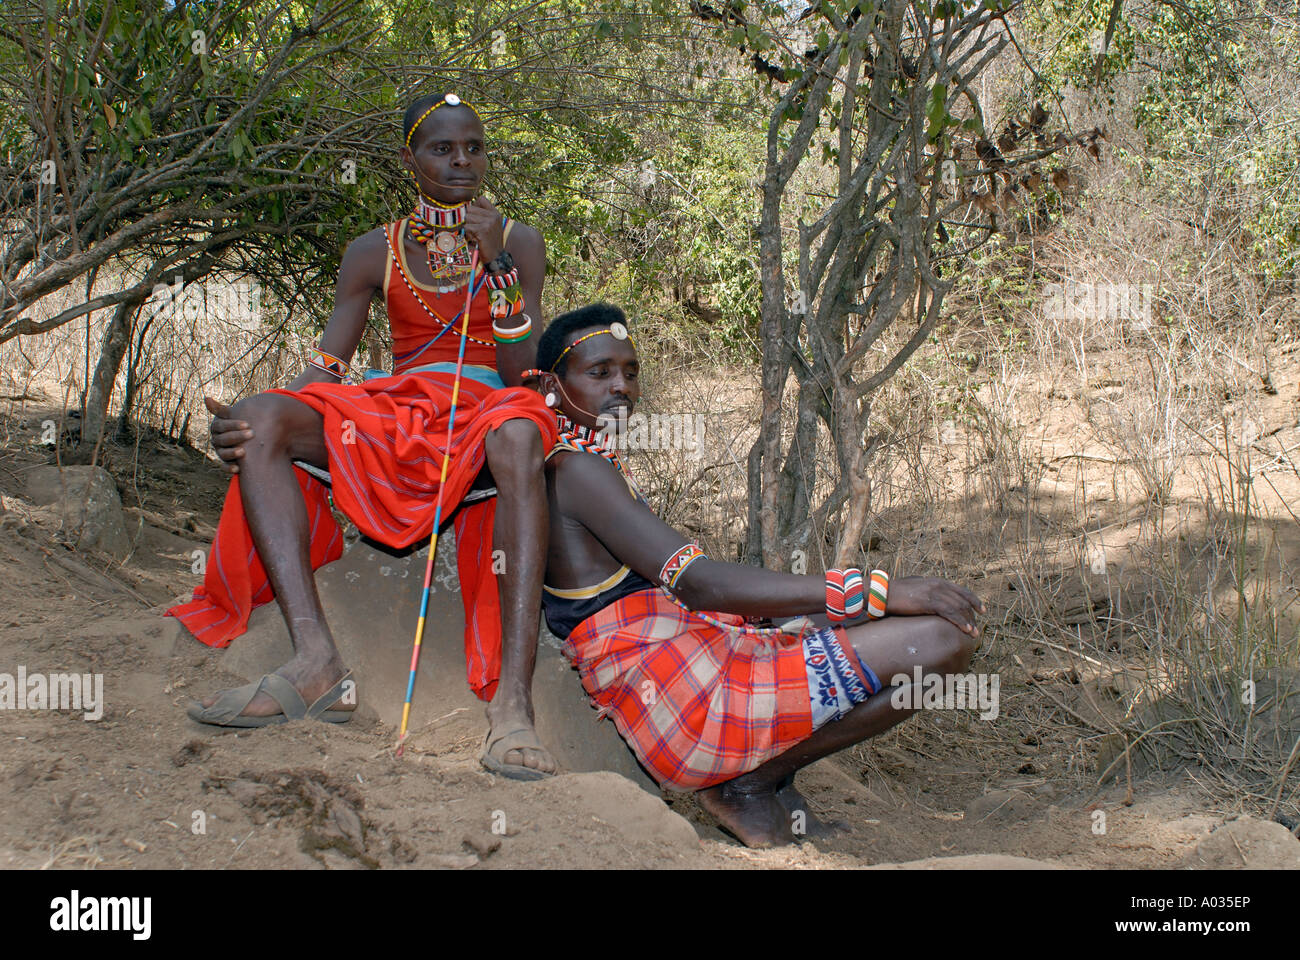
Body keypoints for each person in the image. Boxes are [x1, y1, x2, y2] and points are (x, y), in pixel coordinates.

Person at [168, 93, 557, 779]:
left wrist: (496, 264)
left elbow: (523, 373)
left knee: (523, 433)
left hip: (490, 410)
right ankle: (316, 661)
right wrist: (263, 410)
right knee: (263, 416)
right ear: (410, 159)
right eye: (443, 148)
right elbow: (329, 367)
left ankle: (514, 705)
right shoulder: (371, 250)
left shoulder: (519, 240)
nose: (462, 160)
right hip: (399, 407)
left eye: (474, 146)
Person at [532, 303, 987, 844]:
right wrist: (881, 590)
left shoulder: (591, 461)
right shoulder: (576, 469)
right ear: (553, 388)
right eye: (600, 372)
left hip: (696, 669)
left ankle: (772, 778)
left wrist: (829, 607)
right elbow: (697, 582)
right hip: (691, 710)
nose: (622, 387)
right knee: (940, 641)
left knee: (838, 621)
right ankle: (750, 784)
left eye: (630, 372)